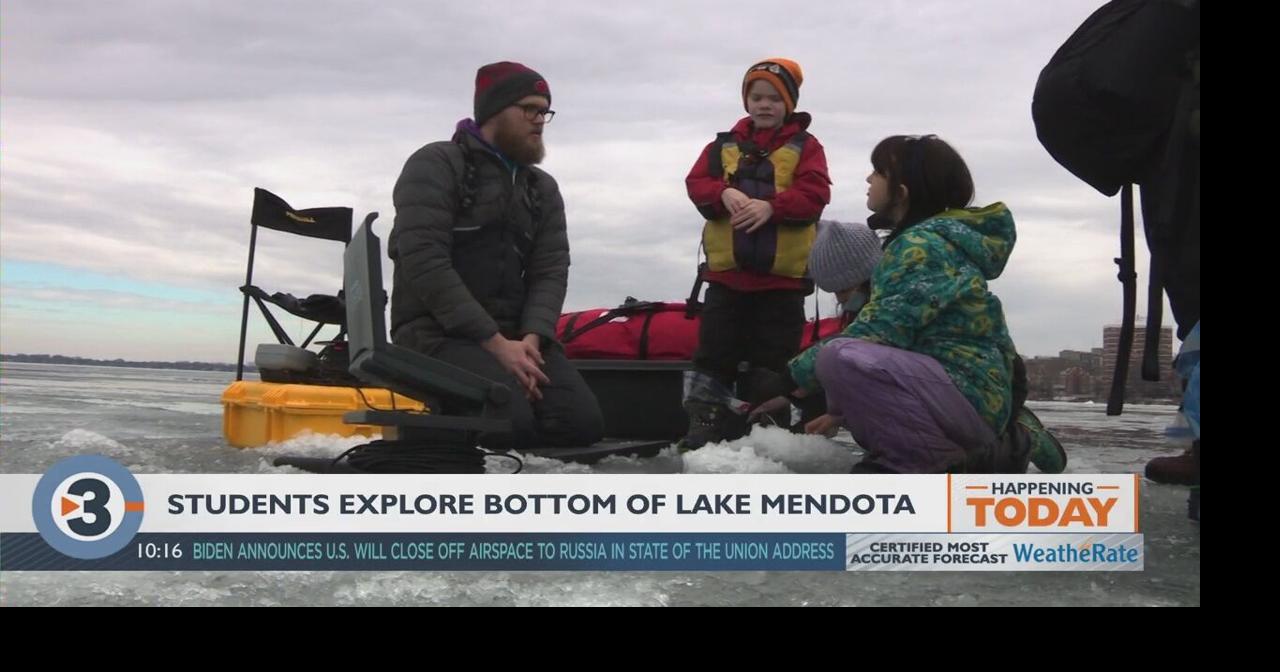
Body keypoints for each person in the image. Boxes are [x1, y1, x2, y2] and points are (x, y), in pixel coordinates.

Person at [387, 61, 603, 450]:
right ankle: (425, 443)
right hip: (435, 334)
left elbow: (550, 269)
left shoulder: (541, 188)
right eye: (529, 109)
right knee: (508, 422)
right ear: (494, 111)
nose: (539, 120)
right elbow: (424, 261)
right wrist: (494, 343)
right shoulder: (436, 164)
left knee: (581, 424)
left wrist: (532, 341)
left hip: (517, 338)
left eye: (544, 111)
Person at [680, 58, 832, 451]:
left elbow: (815, 195)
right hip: (726, 280)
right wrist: (722, 192)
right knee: (713, 352)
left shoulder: (808, 148)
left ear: (789, 104)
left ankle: (768, 426)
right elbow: (697, 183)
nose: (764, 105)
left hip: (781, 285)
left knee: (775, 357)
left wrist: (772, 207)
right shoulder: (721, 147)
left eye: (774, 99)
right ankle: (706, 420)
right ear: (746, 101)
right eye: (756, 97)